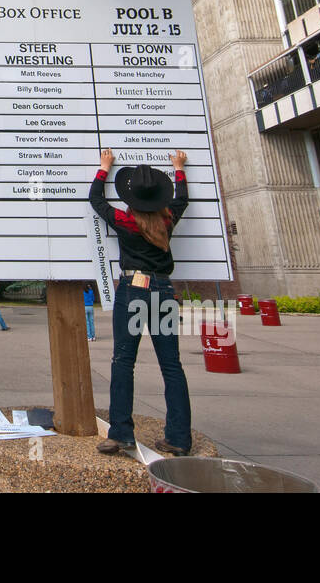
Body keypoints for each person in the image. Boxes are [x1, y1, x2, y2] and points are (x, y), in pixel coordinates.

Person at [90, 148, 193, 457]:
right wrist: (179, 168)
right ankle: (178, 437)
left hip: (134, 290)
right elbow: (181, 199)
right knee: (171, 364)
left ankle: (121, 433)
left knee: (123, 361)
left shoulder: (126, 222)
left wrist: (103, 168)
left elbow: (96, 201)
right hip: (163, 291)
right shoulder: (167, 221)